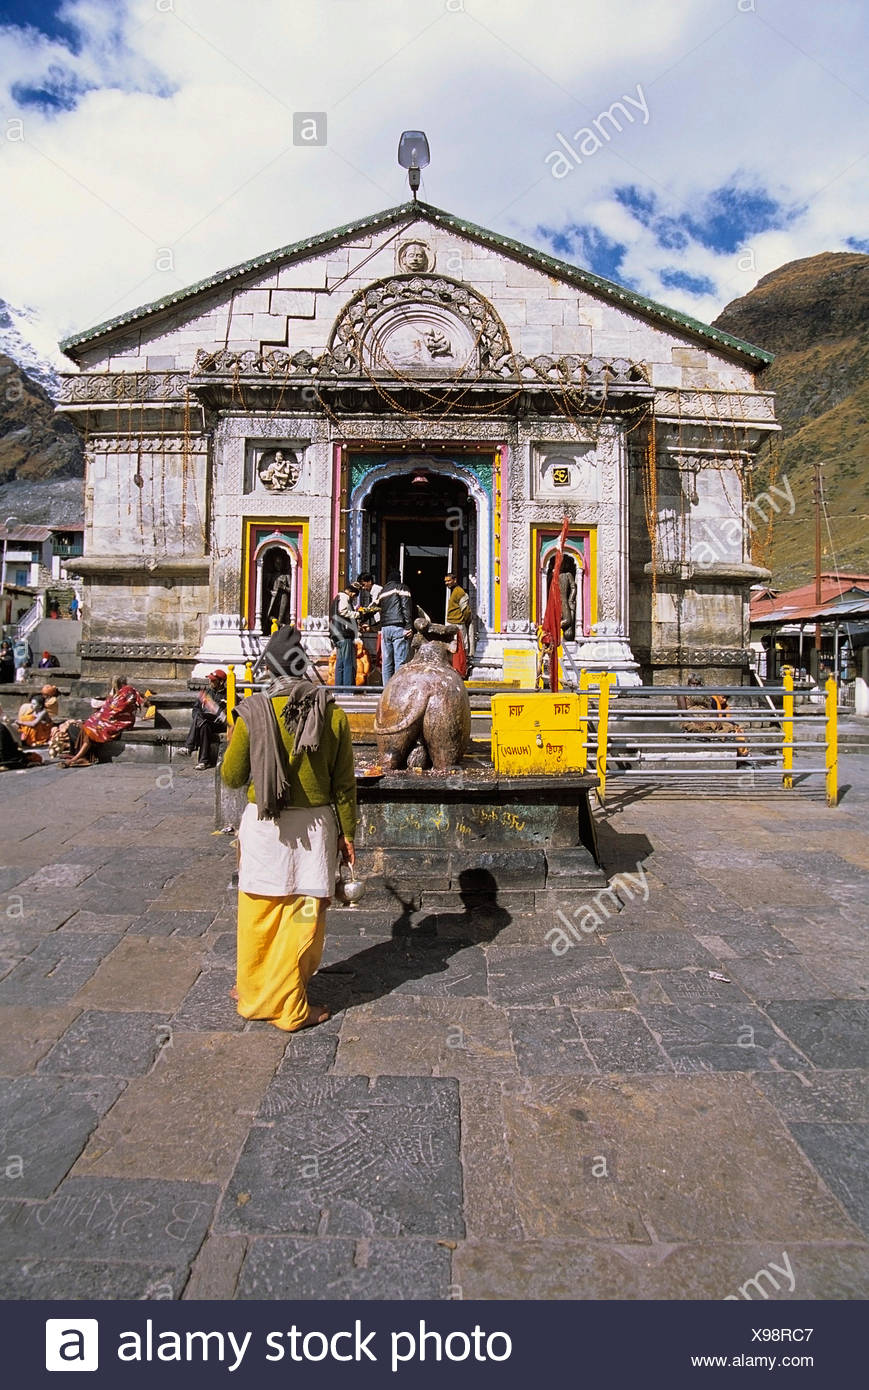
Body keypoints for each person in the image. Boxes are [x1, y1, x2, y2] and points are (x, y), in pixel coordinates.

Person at [220, 670, 357, 1032]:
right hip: (314, 832)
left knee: (260, 915)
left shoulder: (253, 712)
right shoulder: (334, 714)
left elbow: (232, 777)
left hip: (265, 828)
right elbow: (343, 785)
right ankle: (290, 1007)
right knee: (302, 919)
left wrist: (234, 738)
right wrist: (348, 835)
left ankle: (255, 990)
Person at [57, 674, 142, 767]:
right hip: (109, 719)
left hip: (120, 722)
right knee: (74, 726)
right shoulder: (116, 691)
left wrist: (102, 716)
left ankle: (77, 758)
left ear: (117, 683)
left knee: (93, 730)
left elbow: (117, 709)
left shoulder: (128, 691)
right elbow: (107, 706)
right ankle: (74, 754)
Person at [179, 670, 227, 769]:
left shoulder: (229, 694)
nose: (210, 682)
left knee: (200, 719)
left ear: (221, 682)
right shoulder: (207, 692)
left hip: (219, 724)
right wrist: (198, 716)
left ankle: (189, 746)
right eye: (210, 680)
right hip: (205, 721)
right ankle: (204, 762)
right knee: (204, 725)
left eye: (213, 680)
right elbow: (196, 708)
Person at [378, 569, 413, 685]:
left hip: (385, 628)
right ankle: (398, 689)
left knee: (387, 661)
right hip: (398, 627)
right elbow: (405, 607)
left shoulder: (383, 591)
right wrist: (408, 626)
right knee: (400, 661)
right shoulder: (402, 588)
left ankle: (386, 690)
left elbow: (376, 609)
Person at [329, 581, 359, 688]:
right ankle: (348, 690)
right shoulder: (344, 597)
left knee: (340, 664)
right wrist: (358, 614)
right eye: (355, 595)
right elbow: (343, 611)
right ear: (351, 592)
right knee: (348, 664)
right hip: (344, 634)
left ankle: (339, 690)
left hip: (336, 635)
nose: (354, 598)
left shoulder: (336, 598)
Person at [445, 573, 472, 677]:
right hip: (453, 623)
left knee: (460, 647)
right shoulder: (454, 592)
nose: (447, 583)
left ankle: (460, 670)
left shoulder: (459, 592)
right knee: (454, 647)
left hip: (458, 624)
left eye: (449, 581)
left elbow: (465, 609)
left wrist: (465, 620)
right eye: (446, 581)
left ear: (454, 580)